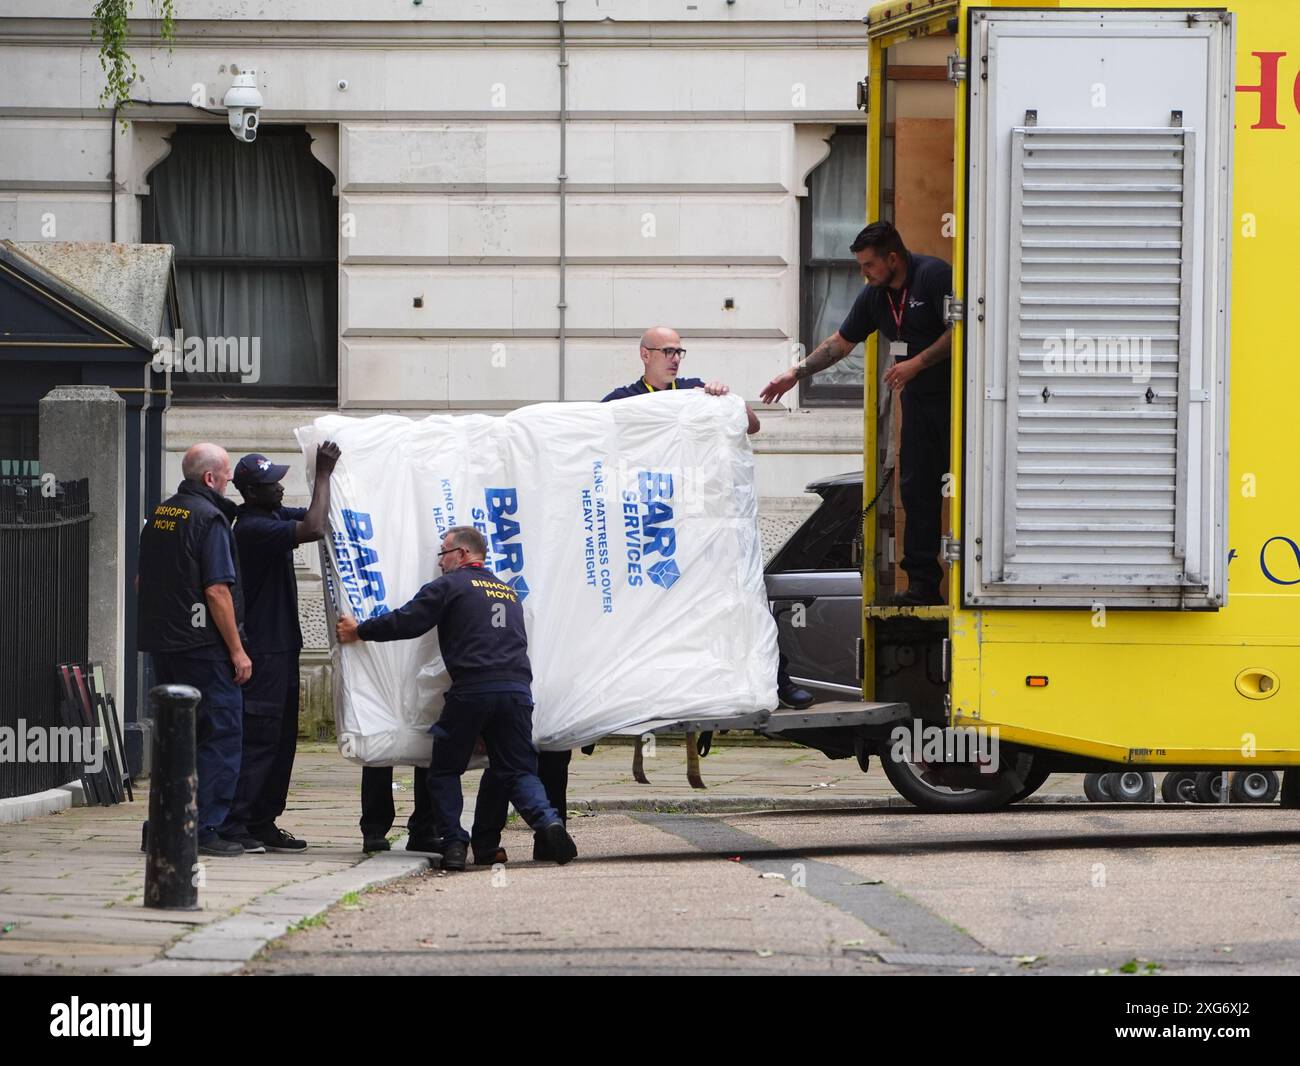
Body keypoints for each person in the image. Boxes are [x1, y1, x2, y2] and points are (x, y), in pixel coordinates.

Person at [335, 526, 577, 871]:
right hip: (517, 692)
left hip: (471, 691)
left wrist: (359, 631)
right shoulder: (508, 593)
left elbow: (407, 621)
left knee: (444, 770)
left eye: (443, 554)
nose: (440, 562)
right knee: (520, 771)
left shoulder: (450, 586)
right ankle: (549, 823)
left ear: (462, 554)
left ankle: (453, 844)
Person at [760, 222, 953, 606]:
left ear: (893, 259)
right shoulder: (875, 296)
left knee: (965, 489)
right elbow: (841, 343)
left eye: (868, 265)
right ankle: (921, 586)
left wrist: (916, 363)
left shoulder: (933, 275)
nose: (863, 273)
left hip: (956, 399)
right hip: (915, 402)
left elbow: (959, 331)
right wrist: (795, 374)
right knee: (916, 490)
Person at [217, 443, 339, 854]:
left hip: (284, 648)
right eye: (272, 485)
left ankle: (263, 820)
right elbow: (313, 529)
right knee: (261, 738)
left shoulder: (268, 513)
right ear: (251, 492)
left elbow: (314, 515)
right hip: (263, 651)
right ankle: (236, 822)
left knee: (284, 739)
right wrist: (323, 474)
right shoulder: (250, 528)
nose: (281, 489)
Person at [137, 443, 250, 857]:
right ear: (209, 478)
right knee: (220, 735)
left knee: (175, 738)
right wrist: (237, 651)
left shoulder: (161, 514)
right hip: (204, 647)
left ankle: (162, 827)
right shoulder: (210, 518)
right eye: (225, 477)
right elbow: (217, 590)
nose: (228, 483)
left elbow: (141, 582)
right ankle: (201, 827)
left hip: (165, 645)